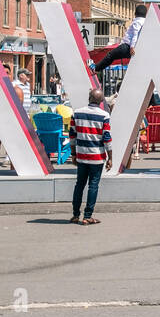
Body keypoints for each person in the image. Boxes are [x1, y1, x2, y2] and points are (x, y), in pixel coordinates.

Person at [69, 88, 111, 225]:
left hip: (81, 155)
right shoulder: (104, 115)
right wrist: (110, 157)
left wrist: (73, 154)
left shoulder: (77, 113)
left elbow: (72, 135)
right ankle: (87, 216)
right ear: (101, 101)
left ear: (89, 98)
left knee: (79, 185)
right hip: (96, 156)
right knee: (93, 185)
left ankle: (75, 215)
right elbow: (107, 138)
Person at [94, 4, 147, 76]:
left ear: (135, 14)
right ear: (145, 14)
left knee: (110, 55)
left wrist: (132, 47)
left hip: (127, 46)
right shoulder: (145, 22)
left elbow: (135, 34)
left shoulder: (137, 22)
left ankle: (96, 69)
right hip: (136, 48)